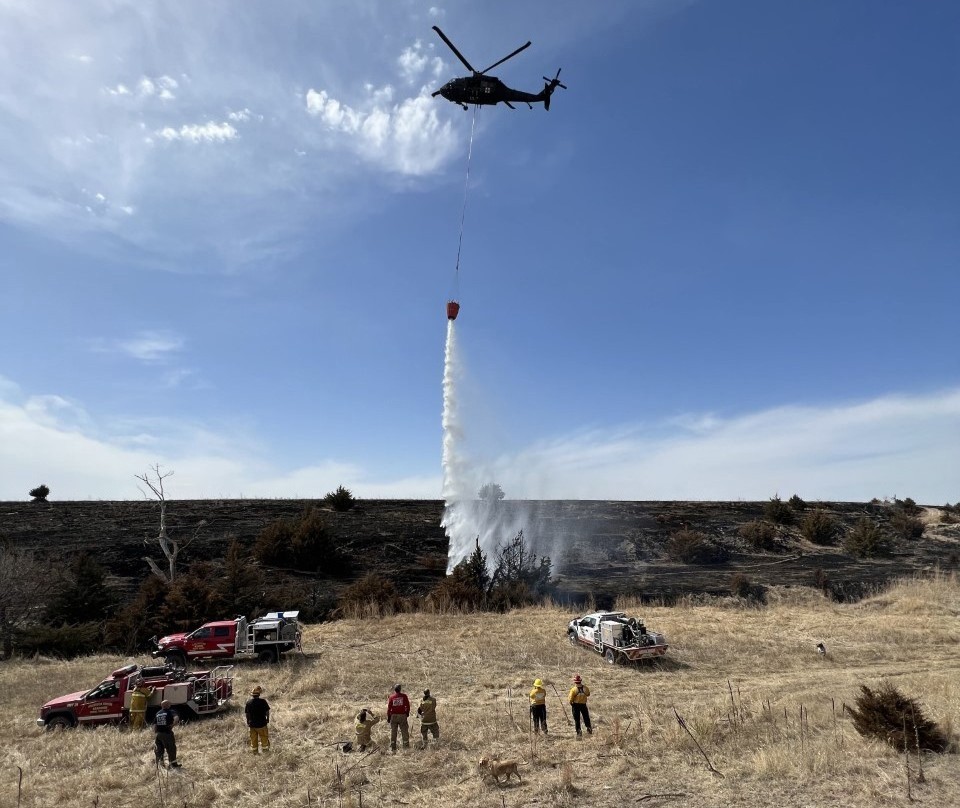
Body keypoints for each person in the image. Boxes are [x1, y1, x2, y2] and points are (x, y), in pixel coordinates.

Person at [153, 699, 180, 768]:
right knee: (171, 748)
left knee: (159, 750)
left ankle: (160, 765)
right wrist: (172, 725)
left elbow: (155, 725)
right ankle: (173, 764)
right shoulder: (171, 711)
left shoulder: (158, 713)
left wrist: (156, 733)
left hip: (158, 734)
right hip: (167, 733)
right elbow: (176, 718)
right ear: (168, 705)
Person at [245, 685, 271, 753]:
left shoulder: (248, 702)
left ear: (252, 695)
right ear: (259, 694)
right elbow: (267, 711)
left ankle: (255, 752)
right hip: (262, 724)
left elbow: (247, 714)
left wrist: (248, 721)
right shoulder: (263, 701)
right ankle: (265, 752)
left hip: (252, 725)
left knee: (253, 740)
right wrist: (267, 719)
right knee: (264, 738)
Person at [386, 684, 410, 751]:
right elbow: (407, 706)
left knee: (393, 731)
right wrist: (407, 713)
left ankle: (393, 747)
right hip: (402, 716)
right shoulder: (404, 696)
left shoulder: (391, 697)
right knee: (404, 731)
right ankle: (406, 747)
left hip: (394, 716)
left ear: (394, 689)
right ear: (400, 689)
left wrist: (388, 717)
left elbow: (389, 708)